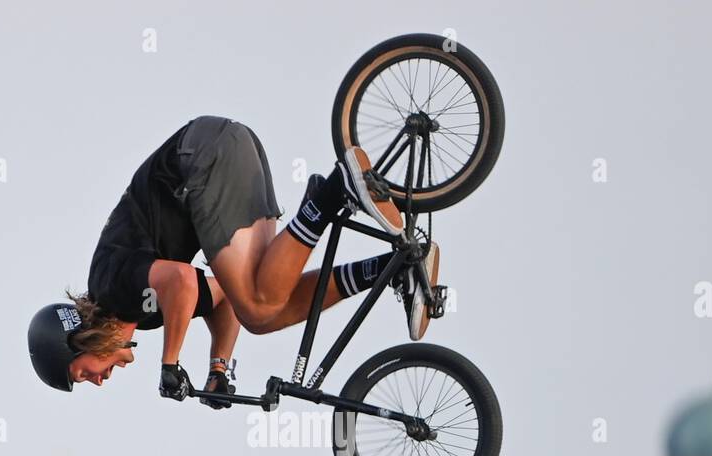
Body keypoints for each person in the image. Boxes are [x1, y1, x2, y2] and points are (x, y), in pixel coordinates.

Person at [27, 115, 440, 405]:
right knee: (264, 311)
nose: (97, 382)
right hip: (222, 154)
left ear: (77, 340)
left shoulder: (112, 288)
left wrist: (170, 363)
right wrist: (217, 369)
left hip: (200, 161)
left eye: (82, 373)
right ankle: (386, 270)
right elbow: (221, 295)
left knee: (258, 304)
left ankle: (332, 193)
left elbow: (184, 282)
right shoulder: (145, 313)